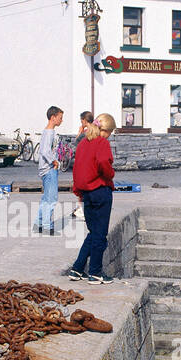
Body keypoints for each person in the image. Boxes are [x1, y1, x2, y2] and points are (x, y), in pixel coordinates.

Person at [64, 112, 116, 284]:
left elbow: (77, 169)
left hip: (86, 193)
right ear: (106, 130)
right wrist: (110, 174)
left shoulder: (83, 143)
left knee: (93, 233)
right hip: (101, 191)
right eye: (110, 132)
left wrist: (79, 192)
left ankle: (77, 268)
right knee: (100, 235)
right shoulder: (102, 143)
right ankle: (95, 273)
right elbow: (103, 163)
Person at [35, 105, 64, 235]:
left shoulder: (47, 132)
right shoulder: (49, 133)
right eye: (60, 118)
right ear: (53, 117)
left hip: (46, 169)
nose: (61, 120)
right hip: (49, 169)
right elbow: (45, 151)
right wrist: (55, 162)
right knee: (51, 199)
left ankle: (39, 223)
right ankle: (47, 226)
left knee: (46, 198)